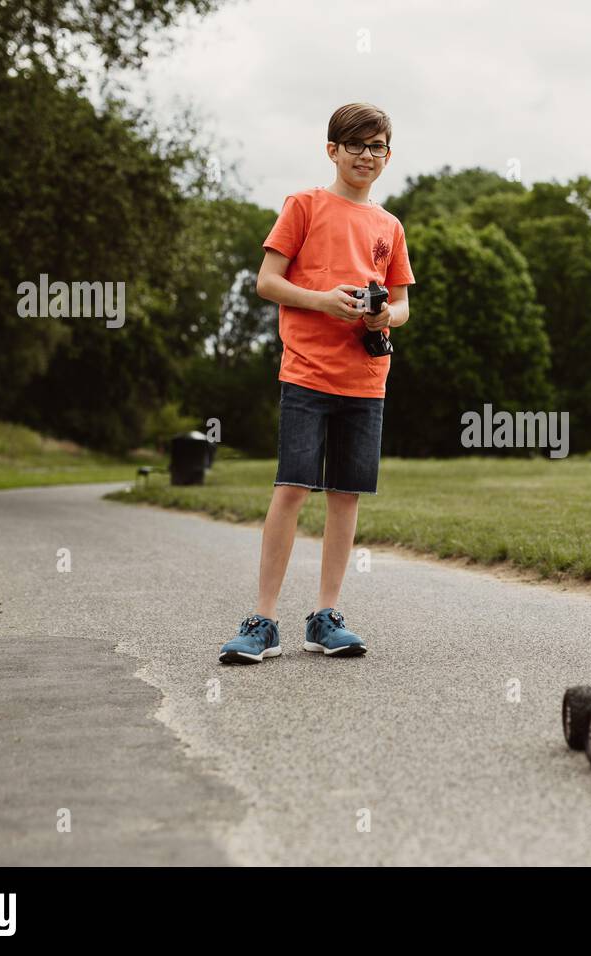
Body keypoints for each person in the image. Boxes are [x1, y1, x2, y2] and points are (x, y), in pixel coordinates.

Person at [219, 102, 414, 663]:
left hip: (366, 376)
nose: (366, 156)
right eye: (355, 145)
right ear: (332, 150)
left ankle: (326, 616)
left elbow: (401, 304)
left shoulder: (390, 226)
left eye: (376, 147)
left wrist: (383, 317)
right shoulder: (303, 205)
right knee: (291, 489)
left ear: (387, 156)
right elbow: (267, 282)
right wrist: (324, 302)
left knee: (345, 496)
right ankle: (263, 620)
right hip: (306, 370)